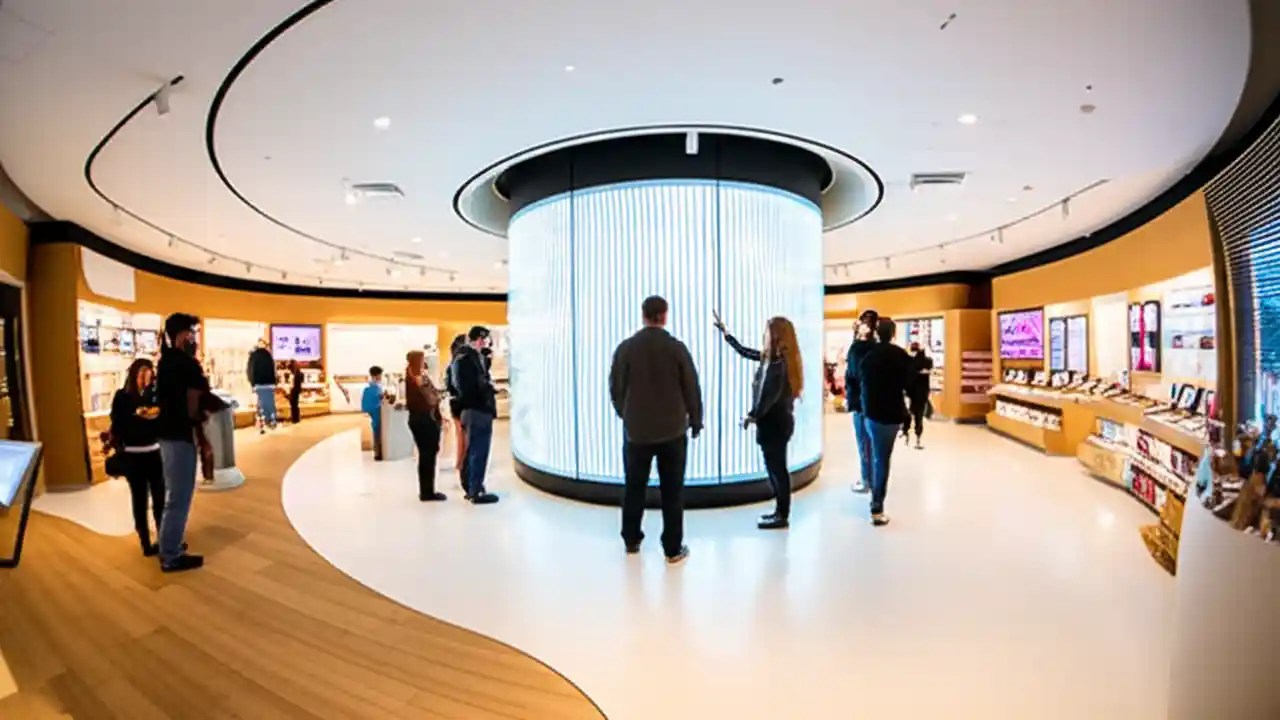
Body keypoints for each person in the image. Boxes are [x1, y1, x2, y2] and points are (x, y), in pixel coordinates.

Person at [609, 295, 702, 564]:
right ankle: (672, 548)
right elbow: (691, 387)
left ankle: (631, 540)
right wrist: (696, 420)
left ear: (643, 315)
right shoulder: (677, 349)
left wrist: (626, 415)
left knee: (634, 486)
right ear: (664, 316)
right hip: (673, 432)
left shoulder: (626, 348)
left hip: (637, 432)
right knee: (672, 491)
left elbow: (616, 388)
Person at [714, 312, 803, 530]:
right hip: (776, 424)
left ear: (776, 336)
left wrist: (751, 416)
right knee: (776, 469)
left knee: (777, 470)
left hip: (775, 426)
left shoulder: (777, 367)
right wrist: (726, 334)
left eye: (767, 332)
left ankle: (782, 514)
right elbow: (745, 352)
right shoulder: (772, 360)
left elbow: (767, 398)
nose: (764, 336)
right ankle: (780, 512)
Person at [153, 312, 208, 572]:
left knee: (174, 493)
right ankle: (170, 555)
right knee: (180, 496)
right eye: (190, 332)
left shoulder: (166, 361)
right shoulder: (184, 364)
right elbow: (196, 400)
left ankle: (168, 542)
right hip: (179, 435)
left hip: (168, 434)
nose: (193, 337)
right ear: (181, 334)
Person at [857, 318, 913, 527]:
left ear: (876, 333)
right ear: (893, 333)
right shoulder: (900, 356)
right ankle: (877, 506)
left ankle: (872, 490)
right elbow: (909, 384)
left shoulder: (868, 356)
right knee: (882, 459)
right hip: (892, 414)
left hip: (871, 413)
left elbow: (861, 382)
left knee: (875, 454)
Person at [109, 358, 165, 556]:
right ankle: (145, 543)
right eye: (141, 375)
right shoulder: (122, 397)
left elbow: (162, 422)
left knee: (160, 499)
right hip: (133, 455)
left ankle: (164, 540)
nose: (144, 380)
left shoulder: (155, 396)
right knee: (139, 500)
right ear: (133, 375)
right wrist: (135, 418)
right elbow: (117, 425)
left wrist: (155, 417)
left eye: (148, 375)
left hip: (154, 452)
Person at [451, 327, 500, 504]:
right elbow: (475, 385)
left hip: (469, 410)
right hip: (478, 409)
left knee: (471, 450)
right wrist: (489, 389)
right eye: (486, 341)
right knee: (479, 450)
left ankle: (471, 487)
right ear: (480, 339)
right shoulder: (469, 359)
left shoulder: (460, 358)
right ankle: (475, 491)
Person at [844, 310, 879, 493]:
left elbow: (851, 376)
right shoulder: (878, 348)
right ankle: (874, 478)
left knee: (863, 443)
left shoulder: (857, 349)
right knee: (874, 444)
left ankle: (867, 480)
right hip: (876, 403)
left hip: (860, 403)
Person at [405, 351, 447, 502]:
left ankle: (426, 490)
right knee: (428, 455)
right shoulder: (419, 377)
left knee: (425, 455)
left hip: (418, 419)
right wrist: (440, 396)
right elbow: (431, 398)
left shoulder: (410, 376)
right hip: (425, 419)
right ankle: (428, 492)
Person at [444, 334, 468, 481]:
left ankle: (461, 466)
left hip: (455, 405)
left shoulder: (451, 365)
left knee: (460, 437)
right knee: (464, 439)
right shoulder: (460, 365)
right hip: (462, 406)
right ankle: (462, 466)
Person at [903, 342, 934, 449]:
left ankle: (906, 432)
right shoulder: (927, 361)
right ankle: (917, 437)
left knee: (908, 413)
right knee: (918, 416)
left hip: (910, 392)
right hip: (921, 393)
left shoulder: (908, 362)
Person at [246, 340, 277, 433]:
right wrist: (274, 383)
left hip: (258, 384)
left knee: (260, 403)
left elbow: (250, 370)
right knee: (269, 403)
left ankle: (261, 423)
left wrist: (252, 383)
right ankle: (271, 421)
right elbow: (273, 370)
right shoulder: (268, 355)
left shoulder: (253, 356)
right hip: (269, 384)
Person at [361, 365, 385, 461]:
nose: (381, 377)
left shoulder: (371, 387)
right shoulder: (374, 387)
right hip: (376, 412)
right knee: (377, 432)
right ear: (376, 375)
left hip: (374, 412)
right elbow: (376, 399)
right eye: (380, 375)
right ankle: (377, 453)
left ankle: (377, 452)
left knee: (376, 432)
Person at [287, 359, 303, 424]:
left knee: (294, 404)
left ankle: (295, 419)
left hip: (294, 390)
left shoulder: (296, 373)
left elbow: (295, 383)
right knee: (295, 404)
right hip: (296, 390)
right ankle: (295, 418)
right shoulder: (298, 372)